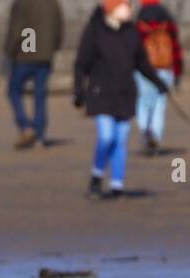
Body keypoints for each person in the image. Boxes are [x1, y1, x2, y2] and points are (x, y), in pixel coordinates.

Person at [74, 0, 168, 199]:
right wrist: (78, 90)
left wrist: (158, 82)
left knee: (120, 140)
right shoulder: (94, 31)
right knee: (106, 137)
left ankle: (117, 184)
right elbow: (82, 63)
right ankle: (96, 176)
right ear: (113, 8)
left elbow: (141, 62)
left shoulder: (131, 33)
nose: (130, 9)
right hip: (101, 93)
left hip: (125, 93)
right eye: (125, 5)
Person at [3, 0, 64, 149]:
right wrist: (53, 48)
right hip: (44, 55)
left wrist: (8, 51)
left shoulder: (21, 3)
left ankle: (25, 126)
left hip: (25, 54)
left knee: (14, 91)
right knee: (40, 94)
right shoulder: (52, 3)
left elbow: (16, 30)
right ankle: (39, 133)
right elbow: (59, 29)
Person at [133, 0, 183, 155]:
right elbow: (176, 49)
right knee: (159, 105)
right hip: (164, 68)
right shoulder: (168, 22)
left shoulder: (138, 22)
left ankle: (145, 131)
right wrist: (178, 72)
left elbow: (133, 49)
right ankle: (155, 135)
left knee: (142, 103)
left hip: (143, 70)